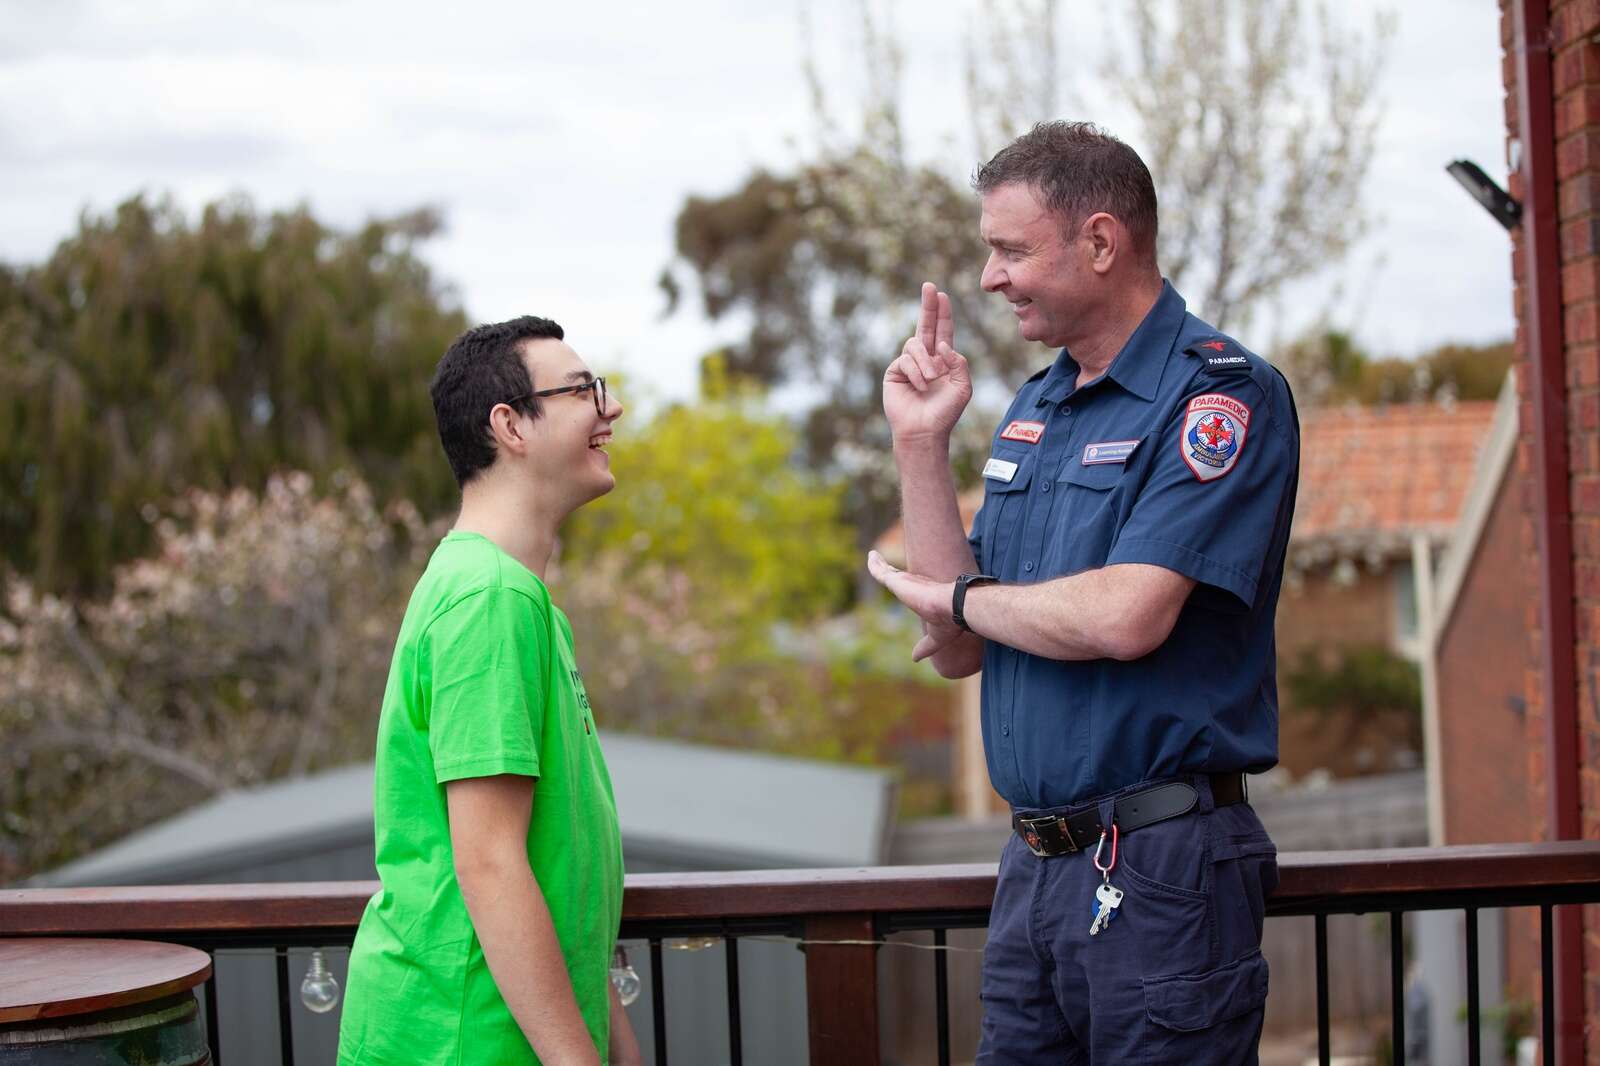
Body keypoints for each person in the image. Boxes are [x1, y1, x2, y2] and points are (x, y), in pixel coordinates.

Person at [867, 121, 1299, 1063]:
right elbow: (962, 644)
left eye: (1012, 249)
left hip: (1161, 872)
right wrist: (920, 442)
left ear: (1101, 243)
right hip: (1036, 872)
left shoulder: (1219, 398)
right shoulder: (1040, 405)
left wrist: (963, 602)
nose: (990, 276)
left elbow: (1125, 615)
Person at [338, 315, 641, 1066]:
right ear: (510, 425)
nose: (610, 410)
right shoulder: (489, 599)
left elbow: (550, 865)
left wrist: (616, 1047)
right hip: (459, 1038)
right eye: (582, 390)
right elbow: (490, 861)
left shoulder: (522, 601)